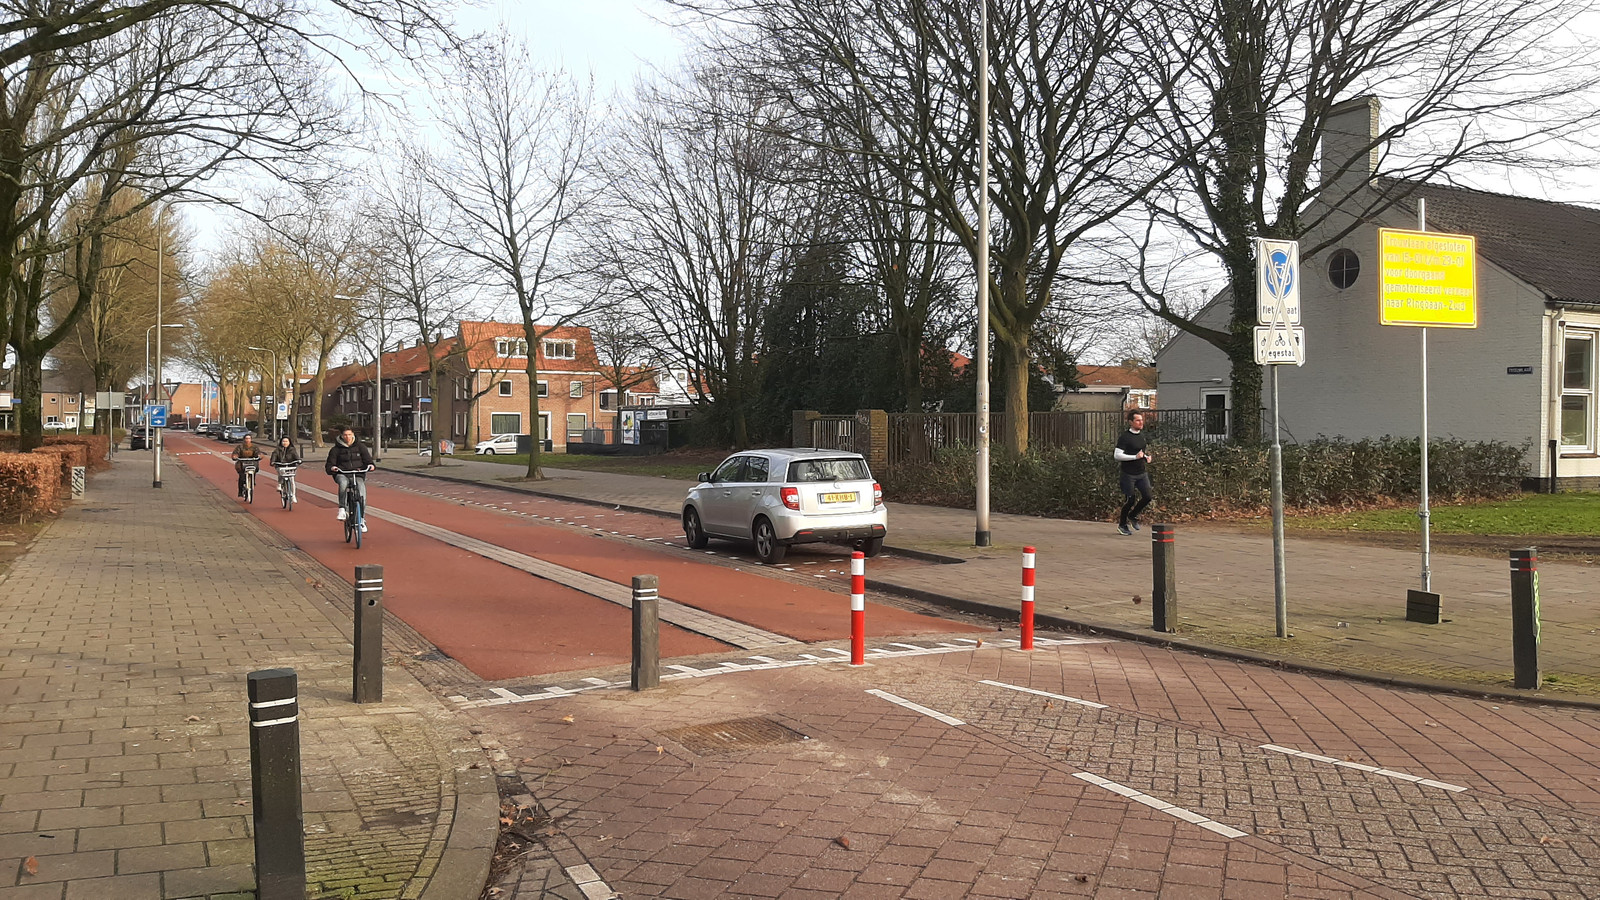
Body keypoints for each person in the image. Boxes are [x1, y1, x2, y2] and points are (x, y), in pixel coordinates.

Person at [325, 427, 375, 530]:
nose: (347, 437)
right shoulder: (335, 449)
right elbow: (329, 464)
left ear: (353, 435)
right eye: (345, 435)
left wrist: (371, 466)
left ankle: (361, 519)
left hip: (357, 474)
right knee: (343, 483)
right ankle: (342, 509)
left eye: (349, 435)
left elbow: (368, 460)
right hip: (342, 473)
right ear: (342, 436)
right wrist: (332, 468)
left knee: (362, 493)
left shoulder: (361, 447)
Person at [1113, 410, 1153, 536]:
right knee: (1130, 500)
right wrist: (1135, 457)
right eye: (1137, 420)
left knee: (1148, 497)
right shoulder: (1125, 437)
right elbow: (1117, 455)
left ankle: (1133, 515)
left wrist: (1146, 457)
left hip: (1141, 473)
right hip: (1128, 474)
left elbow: (1139, 452)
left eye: (1141, 420)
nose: (1141, 422)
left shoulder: (1141, 436)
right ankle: (1122, 525)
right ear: (1130, 422)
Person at [230, 433, 263, 498]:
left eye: (249, 438)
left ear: (251, 439)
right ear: (244, 439)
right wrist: (235, 456)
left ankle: (252, 481)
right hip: (242, 462)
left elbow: (258, 453)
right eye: (246, 438)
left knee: (254, 470)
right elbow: (236, 453)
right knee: (241, 476)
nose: (247, 440)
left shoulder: (254, 447)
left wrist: (259, 456)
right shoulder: (240, 447)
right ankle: (240, 491)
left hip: (252, 462)